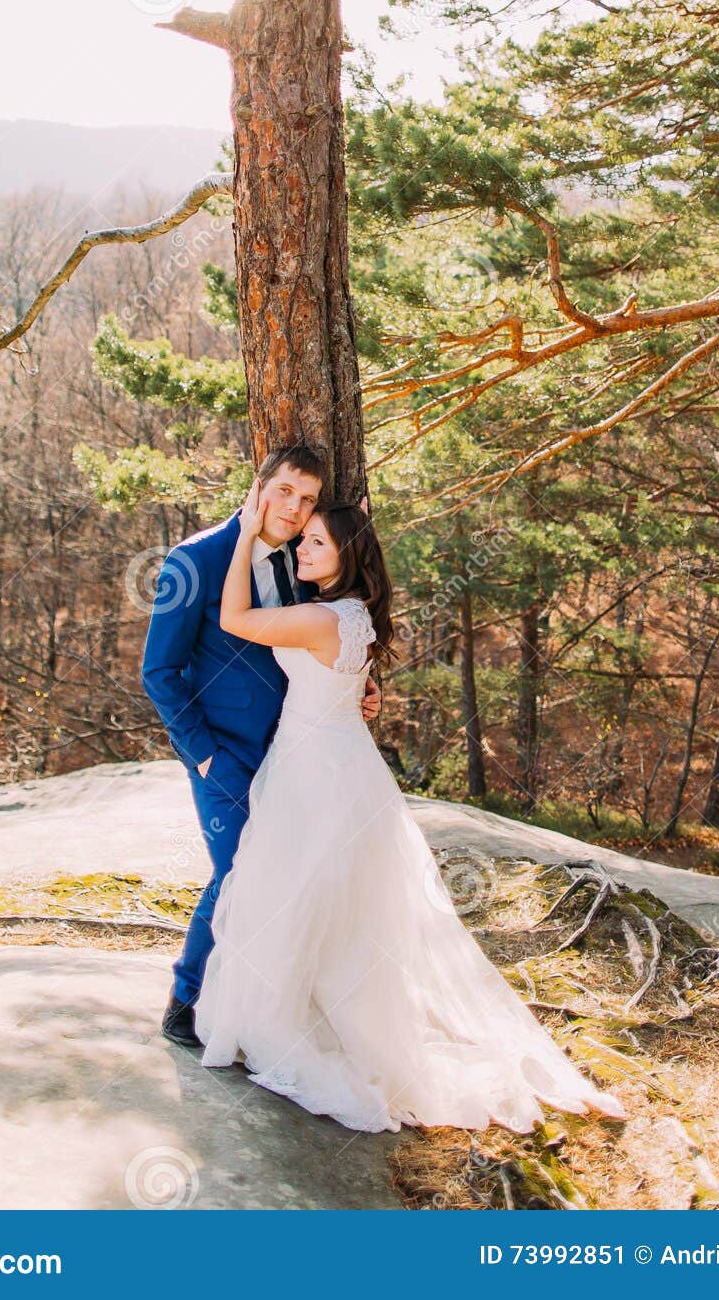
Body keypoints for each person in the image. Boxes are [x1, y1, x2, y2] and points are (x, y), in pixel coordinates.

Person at [191, 478, 627, 1135]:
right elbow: (344, 677)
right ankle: (326, 1006)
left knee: (295, 894)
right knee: (332, 902)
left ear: (344, 555)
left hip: (314, 773)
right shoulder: (356, 613)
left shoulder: (318, 617)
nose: (303, 549)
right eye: (302, 539)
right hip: (344, 765)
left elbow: (231, 620)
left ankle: (294, 1019)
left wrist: (249, 533)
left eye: (315, 542)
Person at [140, 444, 382, 1047]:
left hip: (295, 751)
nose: (294, 509)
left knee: (287, 877)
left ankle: (265, 1001)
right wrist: (202, 754)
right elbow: (159, 673)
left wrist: (355, 685)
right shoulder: (194, 559)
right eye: (284, 491)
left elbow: (318, 641)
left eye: (307, 501)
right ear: (260, 484)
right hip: (222, 752)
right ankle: (186, 1000)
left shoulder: (305, 565)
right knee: (237, 870)